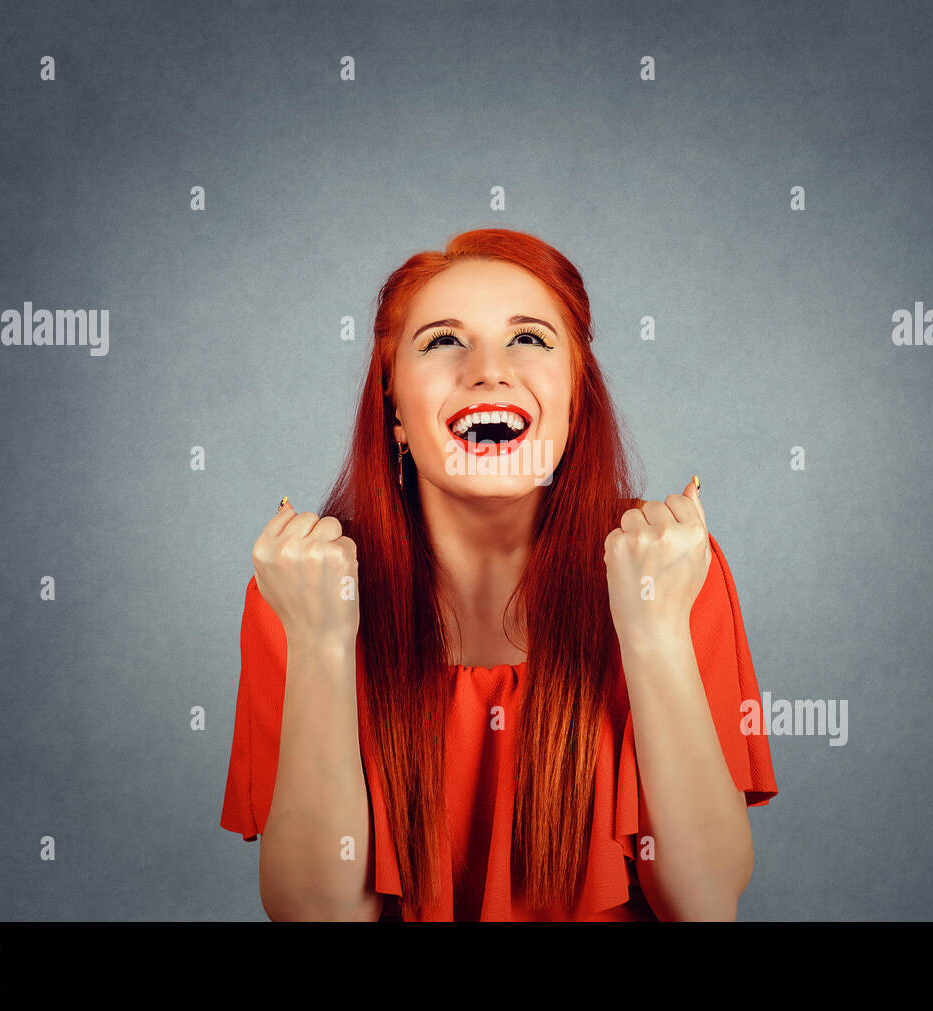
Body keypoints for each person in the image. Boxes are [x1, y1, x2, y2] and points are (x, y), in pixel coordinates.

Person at [220, 228, 777, 921]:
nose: (488, 370)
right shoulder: (300, 590)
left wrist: (654, 629)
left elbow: (702, 900)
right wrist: (321, 642)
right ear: (393, 406)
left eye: (530, 339)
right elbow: (317, 912)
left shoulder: (670, 567)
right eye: (444, 341)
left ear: (576, 397)